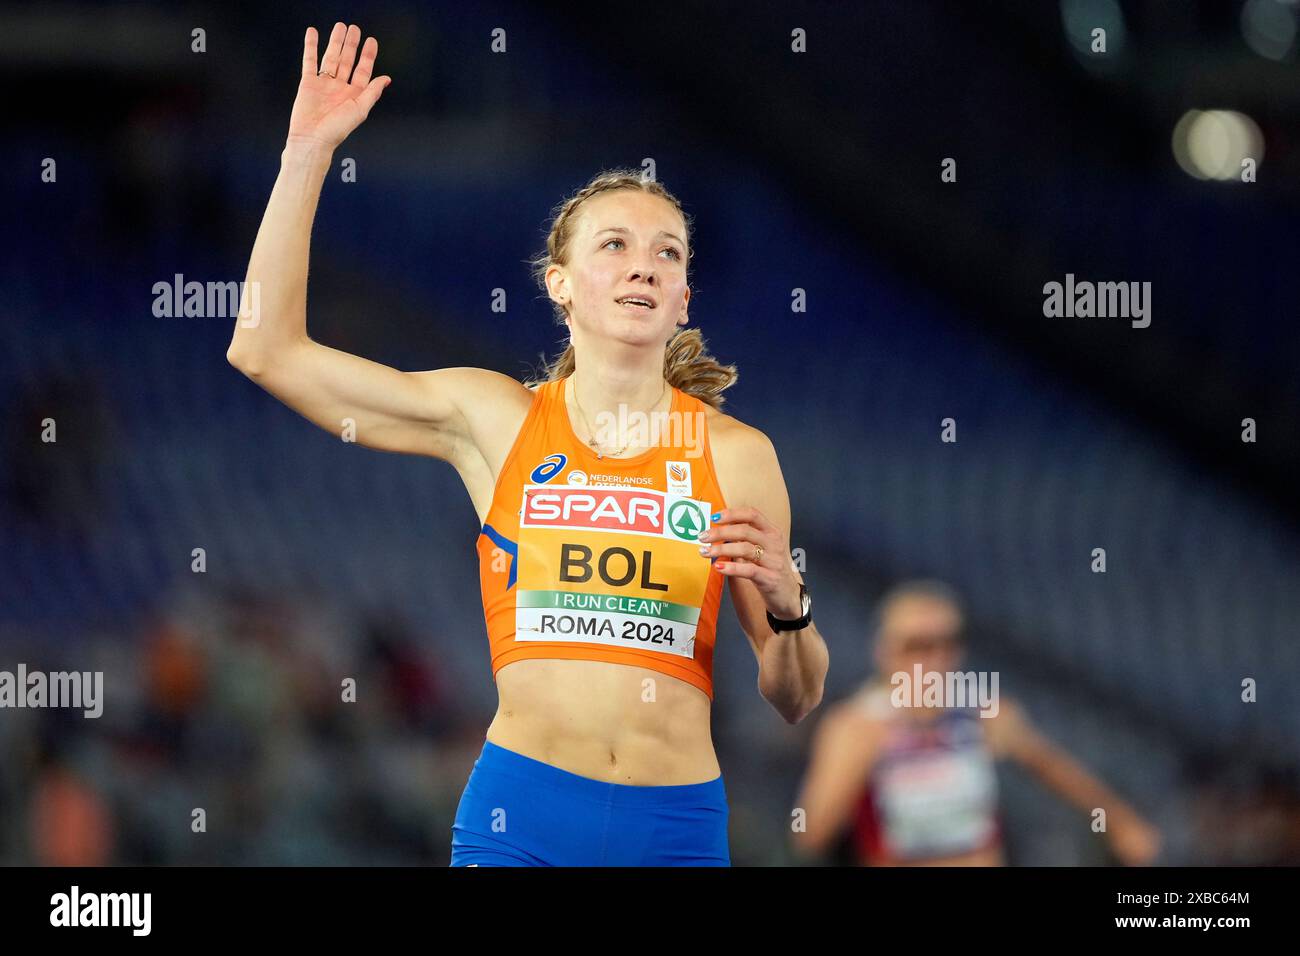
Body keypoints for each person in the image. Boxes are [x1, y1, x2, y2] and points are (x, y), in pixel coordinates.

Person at [226, 22, 829, 866]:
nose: (643, 265)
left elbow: (796, 696)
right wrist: (305, 156)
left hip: (675, 826)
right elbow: (266, 350)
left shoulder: (736, 456)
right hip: (525, 817)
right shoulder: (494, 418)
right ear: (560, 285)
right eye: (614, 245)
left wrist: (790, 605)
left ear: (685, 294)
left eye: (667, 252)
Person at [790, 580, 1161, 866]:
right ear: (885, 650)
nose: (932, 660)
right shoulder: (856, 723)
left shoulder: (981, 710)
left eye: (945, 643)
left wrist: (1118, 820)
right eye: (916, 645)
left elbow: (1056, 769)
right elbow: (809, 835)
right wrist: (857, 766)